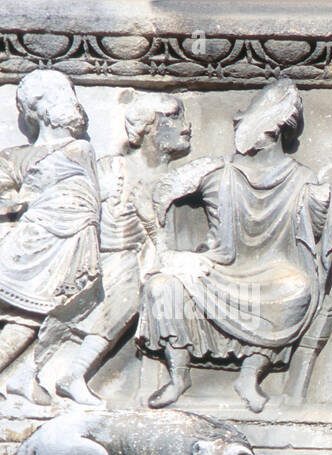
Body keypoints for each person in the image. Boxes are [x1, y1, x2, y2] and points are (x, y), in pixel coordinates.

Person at [137, 78, 332, 412]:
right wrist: (166, 252)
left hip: (272, 275)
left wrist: (318, 208)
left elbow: (315, 240)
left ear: (273, 130)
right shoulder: (218, 169)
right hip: (216, 269)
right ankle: (178, 376)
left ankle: (249, 376)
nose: (239, 129)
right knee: (162, 286)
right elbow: (152, 195)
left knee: (298, 289)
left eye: (248, 123)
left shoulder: (303, 179)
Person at [42, 93, 191, 406]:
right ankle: (71, 373)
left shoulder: (177, 182)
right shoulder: (114, 169)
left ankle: (73, 374)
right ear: (149, 128)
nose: (186, 126)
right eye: (174, 118)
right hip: (99, 259)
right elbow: (76, 210)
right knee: (126, 287)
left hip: (144, 263)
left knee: (145, 284)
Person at [0, 70, 99, 403]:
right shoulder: (15, 157)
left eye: (67, 93)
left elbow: (94, 195)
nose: (66, 101)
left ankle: (20, 376)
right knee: (23, 310)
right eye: (56, 94)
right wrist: (16, 203)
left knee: (39, 313)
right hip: (27, 241)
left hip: (69, 245)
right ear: (34, 108)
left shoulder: (82, 148)